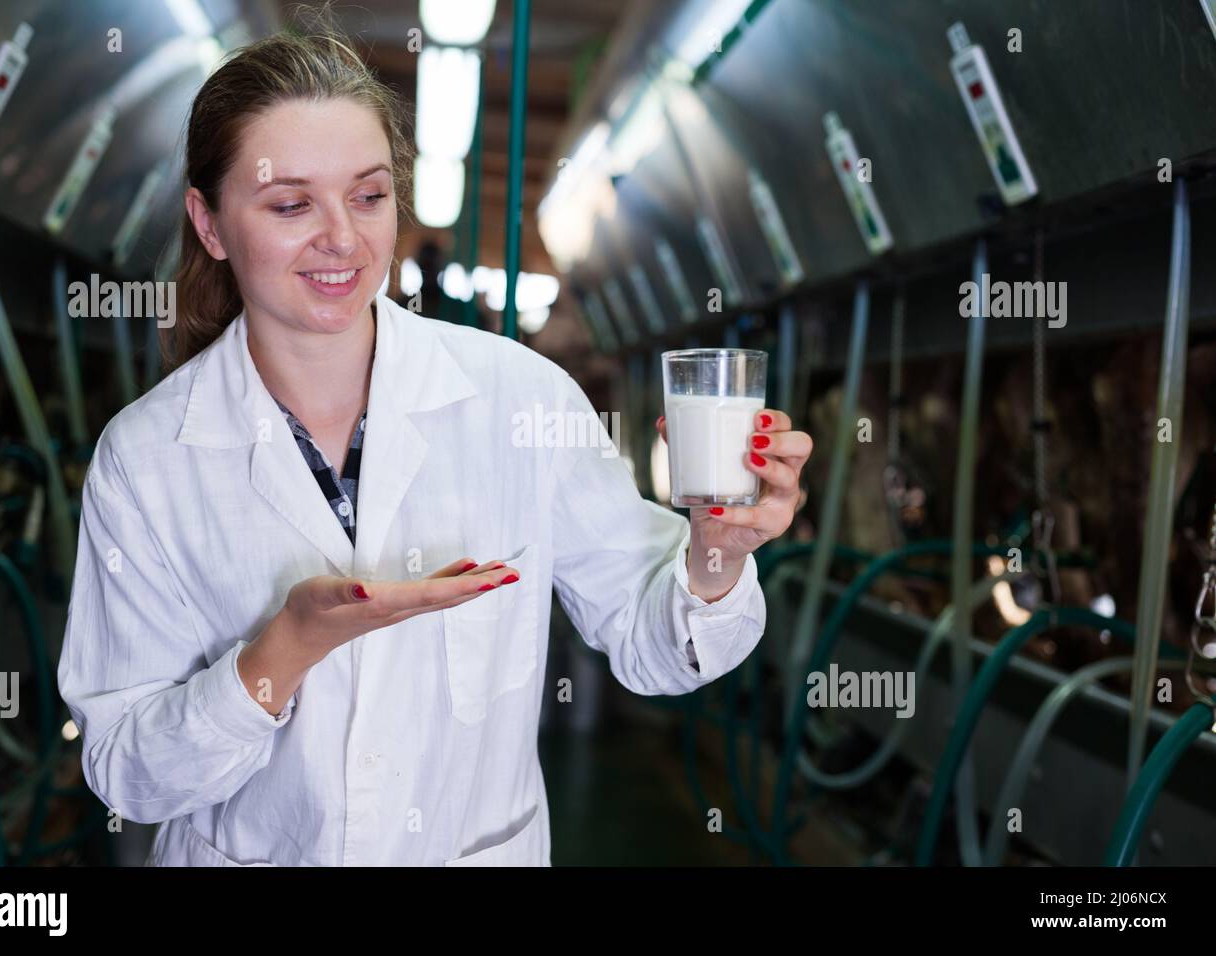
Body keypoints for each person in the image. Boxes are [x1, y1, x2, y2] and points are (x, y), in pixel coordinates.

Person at [56, 31, 813, 867]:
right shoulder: (148, 457)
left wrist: (714, 558)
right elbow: (128, 773)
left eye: (369, 196)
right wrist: (280, 653)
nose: (342, 238)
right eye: (290, 205)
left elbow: (651, 641)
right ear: (210, 224)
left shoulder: (519, 401)